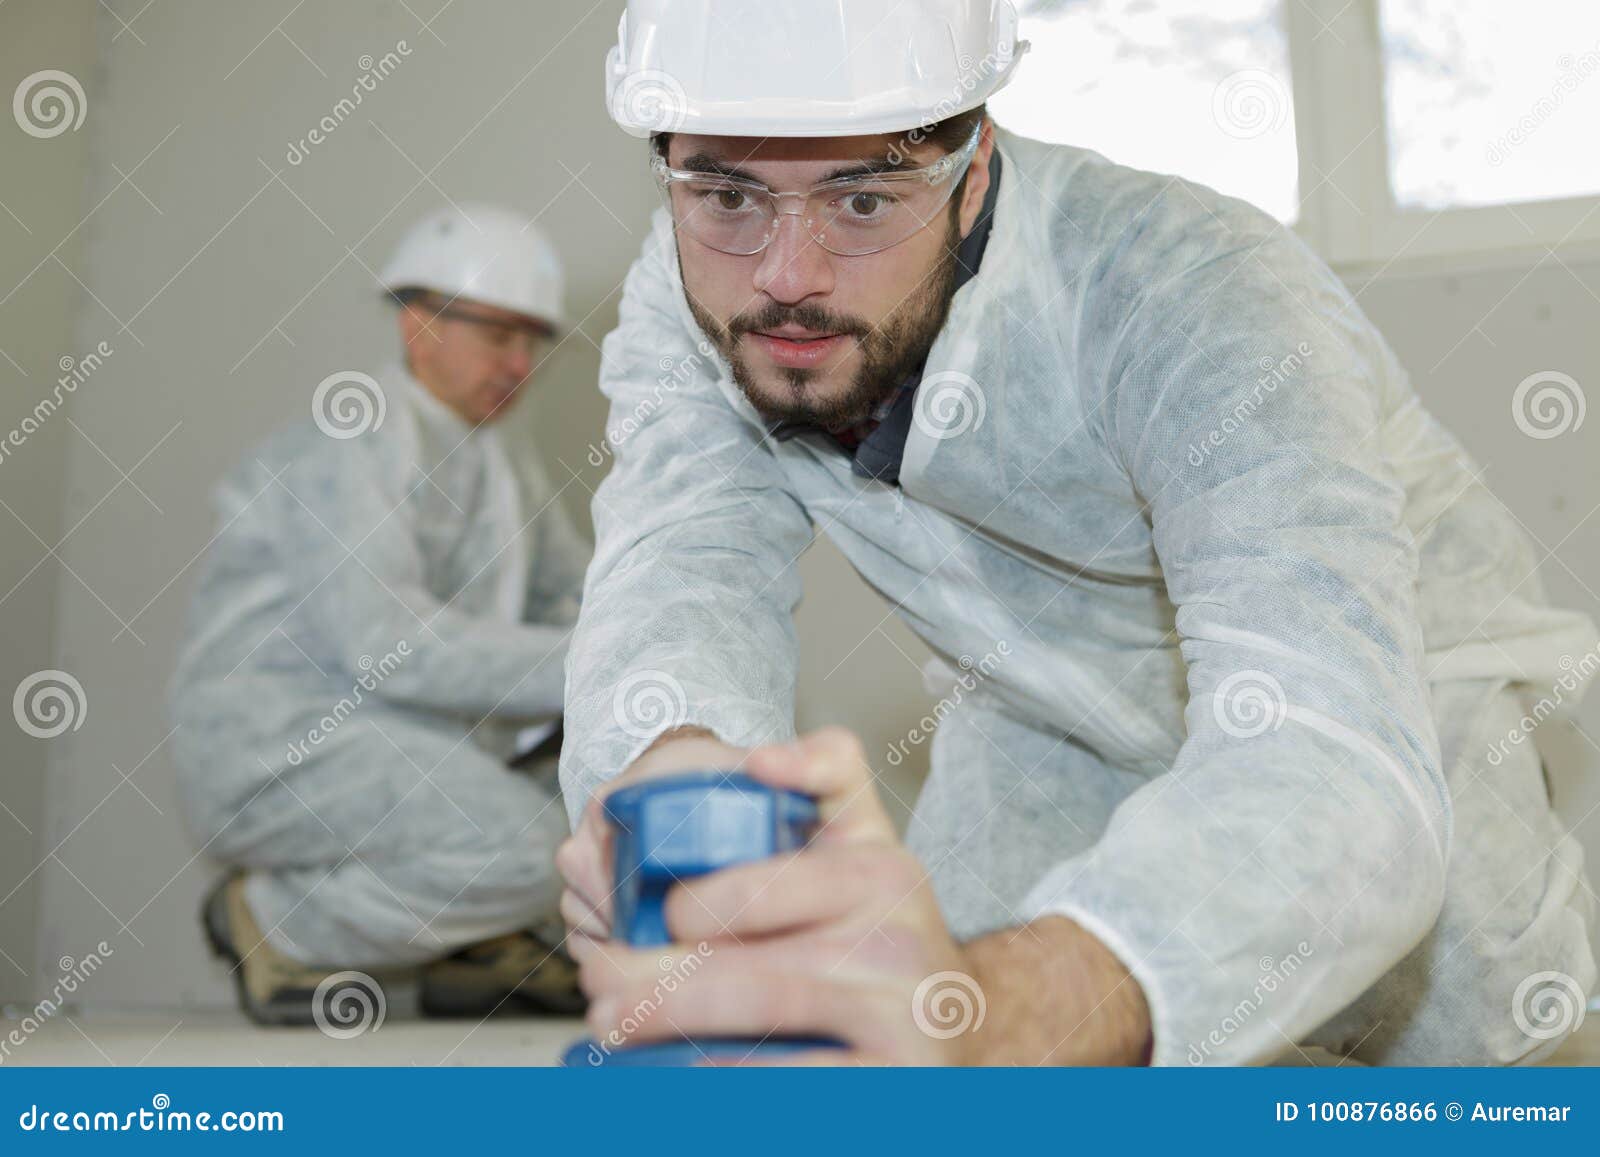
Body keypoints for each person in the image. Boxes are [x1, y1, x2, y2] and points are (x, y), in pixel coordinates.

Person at [556, 0, 1598, 1065]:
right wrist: (675, 790)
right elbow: (682, 566)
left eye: (862, 198)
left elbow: (1324, 737)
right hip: (1036, 720)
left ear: (971, 175)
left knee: (1486, 1083)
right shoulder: (691, 294)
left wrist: (1011, 1006)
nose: (785, 275)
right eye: (726, 194)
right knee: (934, 1065)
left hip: (1382, 715)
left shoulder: (1190, 284)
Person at [170, 204, 589, 1024]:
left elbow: (573, 593)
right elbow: (386, 645)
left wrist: (648, 648)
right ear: (417, 324)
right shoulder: (351, 447)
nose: (519, 363)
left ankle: (476, 950)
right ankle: (273, 920)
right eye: (497, 334)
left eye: (532, 340)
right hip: (283, 743)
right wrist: (592, 664)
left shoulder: (497, 464)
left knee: (594, 786)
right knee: (530, 850)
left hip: (398, 739)